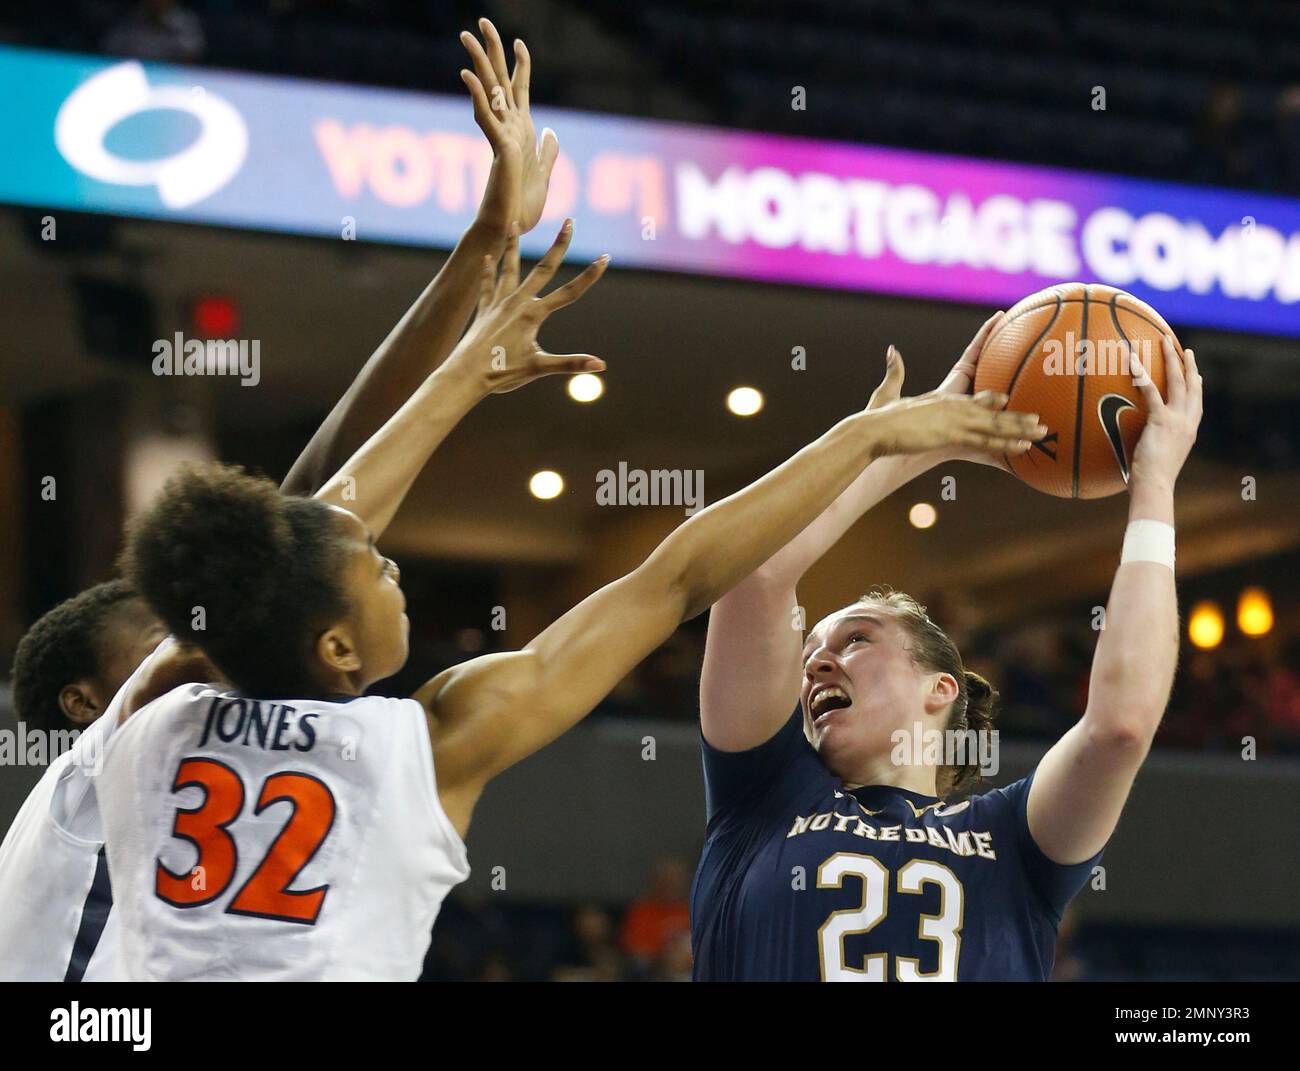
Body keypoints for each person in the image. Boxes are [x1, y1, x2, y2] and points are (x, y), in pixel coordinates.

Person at [98, 282, 1041, 977]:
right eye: (378, 572)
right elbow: (673, 579)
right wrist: (865, 437)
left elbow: (286, 549)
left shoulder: (146, 716)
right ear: (336, 648)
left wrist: (462, 369)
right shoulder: (424, 743)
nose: (394, 570)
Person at [0, 18, 564, 981]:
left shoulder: (200, 748)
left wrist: (479, 250)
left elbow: (303, 519)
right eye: (175, 631)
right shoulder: (85, 798)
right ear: (87, 702)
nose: (215, 635)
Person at [691, 324, 1202, 981]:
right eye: (810, 648)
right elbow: (754, 572)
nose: (816, 662)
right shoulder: (761, 797)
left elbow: (1121, 727)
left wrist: (1155, 483)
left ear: (941, 686)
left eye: (857, 638)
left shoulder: (1014, 839)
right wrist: (902, 448)